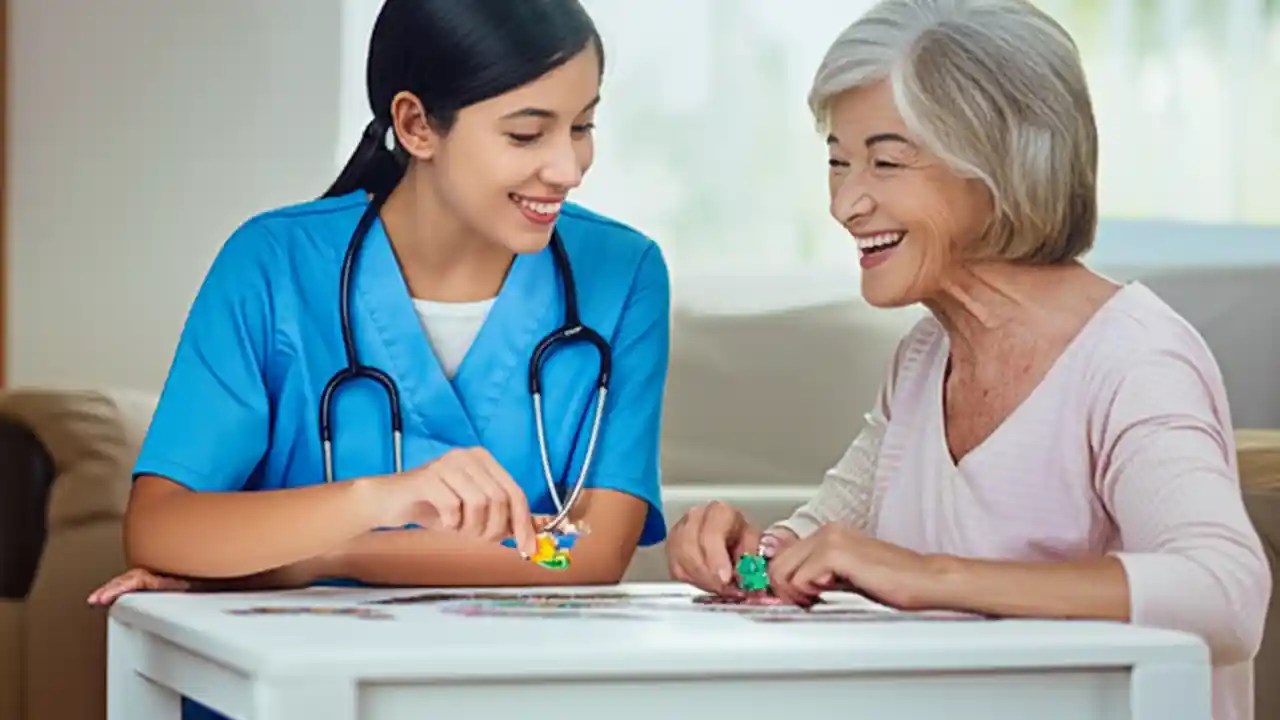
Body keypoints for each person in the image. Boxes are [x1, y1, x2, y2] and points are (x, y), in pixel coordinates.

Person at [664, 1, 1270, 719]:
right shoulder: (926, 357)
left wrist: (931, 576)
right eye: (837, 162)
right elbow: (828, 531)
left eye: (886, 162)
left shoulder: (1133, 358)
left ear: (1005, 163)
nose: (847, 203)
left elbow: (1225, 592)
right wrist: (754, 555)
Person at [88, 0, 669, 609]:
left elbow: (594, 549)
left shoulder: (624, 273)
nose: (568, 168)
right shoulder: (275, 264)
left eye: (582, 127)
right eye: (526, 133)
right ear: (417, 125)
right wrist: (377, 499)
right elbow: (162, 529)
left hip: (518, 683)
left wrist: (324, 555)